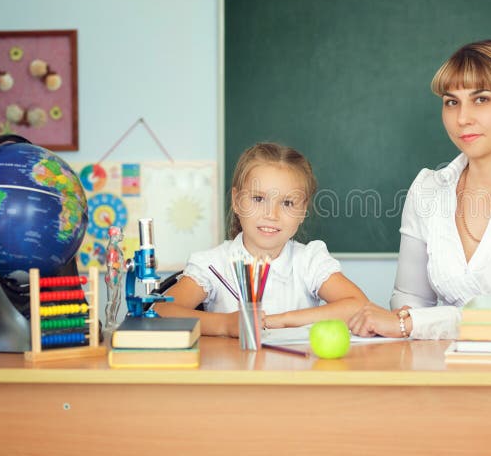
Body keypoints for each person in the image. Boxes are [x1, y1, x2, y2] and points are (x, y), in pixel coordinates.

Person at [348, 40, 491, 339]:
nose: (462, 118)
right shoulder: (427, 188)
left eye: (481, 99)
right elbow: (410, 299)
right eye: (451, 102)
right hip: (440, 370)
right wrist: (408, 321)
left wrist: (412, 324)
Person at [155, 142, 368, 337]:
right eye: (258, 199)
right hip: (234, 376)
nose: (271, 214)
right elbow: (162, 311)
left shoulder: (309, 261)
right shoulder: (213, 264)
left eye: (287, 203)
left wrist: (280, 321)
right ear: (237, 202)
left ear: (303, 211)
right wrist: (226, 324)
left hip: (297, 375)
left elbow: (359, 305)